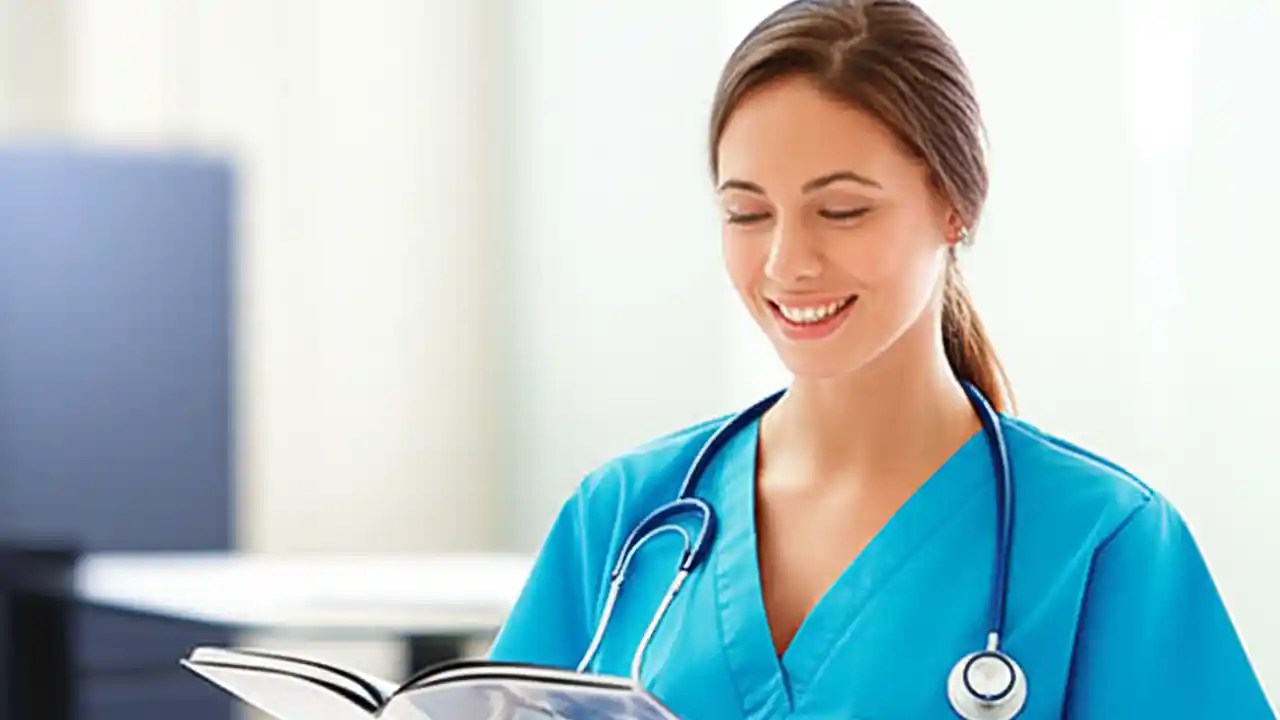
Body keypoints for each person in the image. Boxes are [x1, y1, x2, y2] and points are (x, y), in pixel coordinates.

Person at [487, 1, 1275, 717]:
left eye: (842, 210)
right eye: (747, 212)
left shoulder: (1099, 542)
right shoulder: (623, 519)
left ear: (954, 204)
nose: (786, 262)